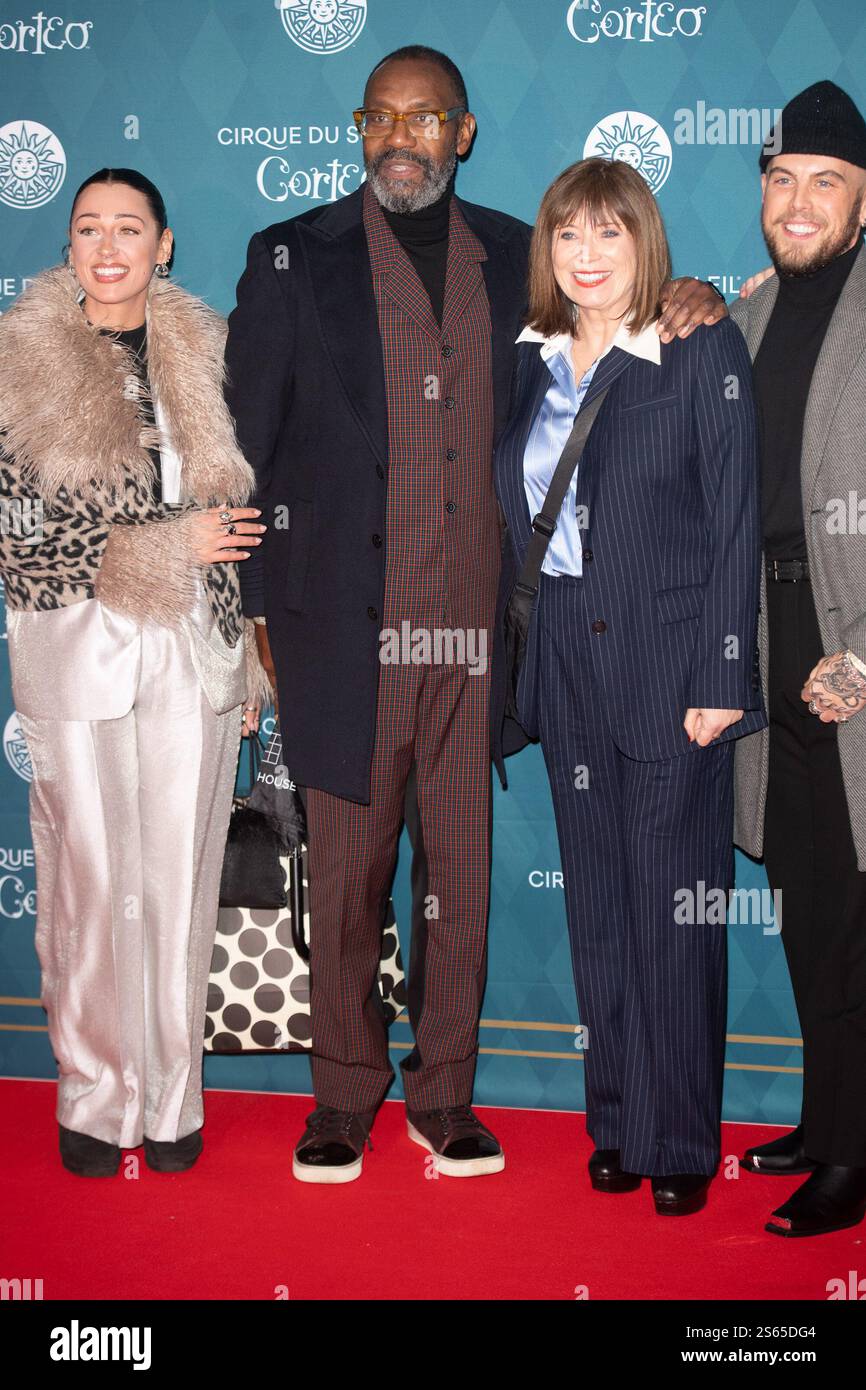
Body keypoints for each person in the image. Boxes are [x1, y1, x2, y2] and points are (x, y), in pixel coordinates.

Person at [224, 44, 728, 1184]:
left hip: (480, 637)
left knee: (456, 878)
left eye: (425, 117)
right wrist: (256, 618)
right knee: (347, 883)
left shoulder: (519, 255)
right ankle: (343, 1098)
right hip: (340, 636)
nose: (399, 137)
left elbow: (615, 330)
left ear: (462, 131)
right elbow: (243, 448)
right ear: (359, 129)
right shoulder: (290, 255)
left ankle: (443, 1095)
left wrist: (695, 291)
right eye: (380, 118)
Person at [494, 157, 764, 1215]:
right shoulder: (528, 362)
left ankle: (681, 1136)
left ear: (642, 243)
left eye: (610, 233)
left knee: (673, 914)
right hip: (562, 657)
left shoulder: (698, 349)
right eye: (569, 235)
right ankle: (616, 1119)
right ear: (547, 251)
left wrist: (719, 679)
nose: (588, 255)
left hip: (669, 667)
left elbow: (734, 521)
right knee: (599, 906)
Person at [0, 168, 270, 1177]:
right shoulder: (15, 359)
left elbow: (234, 530)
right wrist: (160, 546)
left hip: (191, 653)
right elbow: (14, 533)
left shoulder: (205, 350)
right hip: (77, 643)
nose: (107, 246)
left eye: (129, 228)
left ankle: (169, 1100)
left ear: (164, 245)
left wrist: (241, 658)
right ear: (67, 245)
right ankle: (93, 1094)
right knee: (91, 881)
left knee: (178, 881)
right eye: (87, 228)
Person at [731, 81, 866, 1237]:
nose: (797, 200)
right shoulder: (754, 309)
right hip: (772, 644)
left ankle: (852, 1154)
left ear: (862, 203)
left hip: (850, 656)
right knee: (807, 903)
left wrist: (860, 654)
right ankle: (828, 1124)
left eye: (825, 181)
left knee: (854, 911)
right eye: (780, 179)